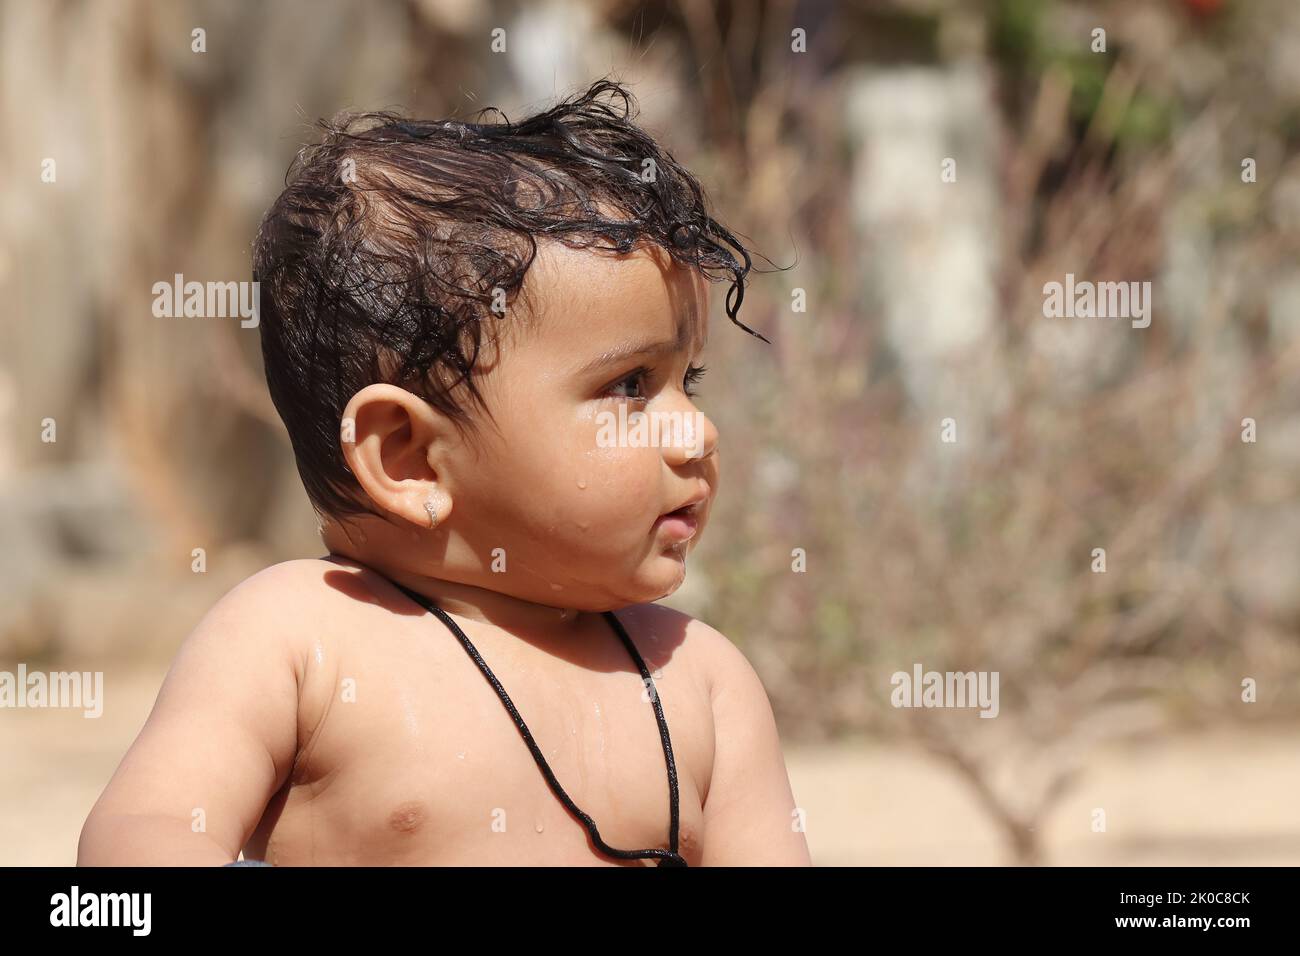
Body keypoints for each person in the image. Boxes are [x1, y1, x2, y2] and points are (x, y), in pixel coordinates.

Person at [77, 79, 811, 867]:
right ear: (409, 457)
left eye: (686, 383)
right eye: (629, 385)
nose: (695, 433)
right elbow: (136, 848)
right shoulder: (297, 642)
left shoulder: (700, 686)